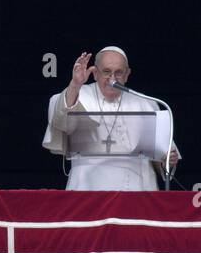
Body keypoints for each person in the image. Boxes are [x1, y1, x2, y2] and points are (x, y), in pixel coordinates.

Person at [41, 46, 181, 190]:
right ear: (95, 73)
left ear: (127, 75)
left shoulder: (145, 103)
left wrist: (166, 161)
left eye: (119, 72)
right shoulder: (78, 95)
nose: (112, 78)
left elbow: (160, 158)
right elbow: (62, 121)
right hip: (88, 188)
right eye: (106, 72)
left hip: (137, 190)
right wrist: (75, 85)